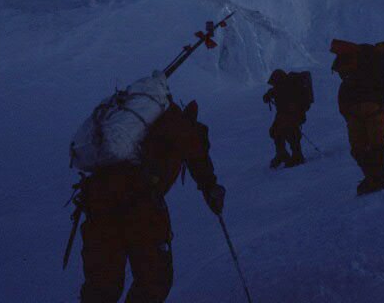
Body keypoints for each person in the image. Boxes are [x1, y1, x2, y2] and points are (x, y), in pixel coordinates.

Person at [76, 99, 225, 303]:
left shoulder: (134, 128)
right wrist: (211, 188)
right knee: (154, 281)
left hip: (98, 204)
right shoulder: (181, 125)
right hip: (141, 209)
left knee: (102, 287)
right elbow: (198, 156)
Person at [330, 39, 384, 195]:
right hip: (373, 105)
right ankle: (379, 176)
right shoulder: (378, 65)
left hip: (351, 107)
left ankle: (370, 177)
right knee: (376, 141)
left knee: (358, 144)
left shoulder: (356, 63)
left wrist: (346, 112)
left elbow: (344, 90)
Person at [262, 69, 310, 168]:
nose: (274, 86)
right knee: (276, 131)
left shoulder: (289, 89)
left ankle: (296, 156)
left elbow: (275, 93)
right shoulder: (281, 88)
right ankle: (283, 154)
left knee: (290, 134)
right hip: (285, 115)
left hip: (292, 116)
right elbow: (273, 92)